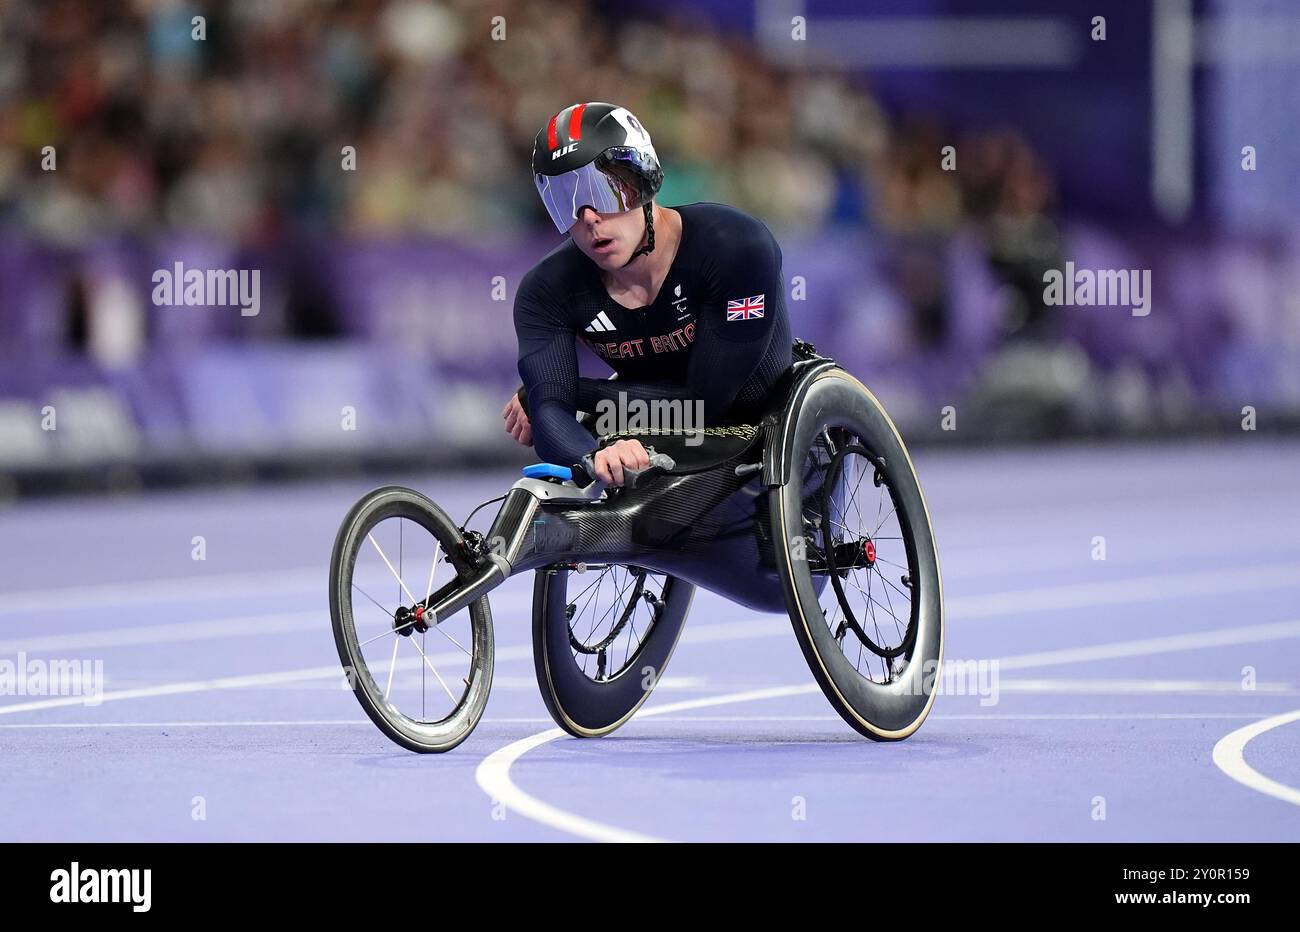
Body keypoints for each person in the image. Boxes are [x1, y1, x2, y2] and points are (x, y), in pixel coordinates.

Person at [503, 101, 791, 485]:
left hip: (755, 418)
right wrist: (593, 456)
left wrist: (549, 396)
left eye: (603, 190)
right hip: (649, 423)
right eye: (565, 199)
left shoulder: (737, 245)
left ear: (643, 181)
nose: (587, 216)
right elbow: (552, 415)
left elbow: (704, 407)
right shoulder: (545, 290)